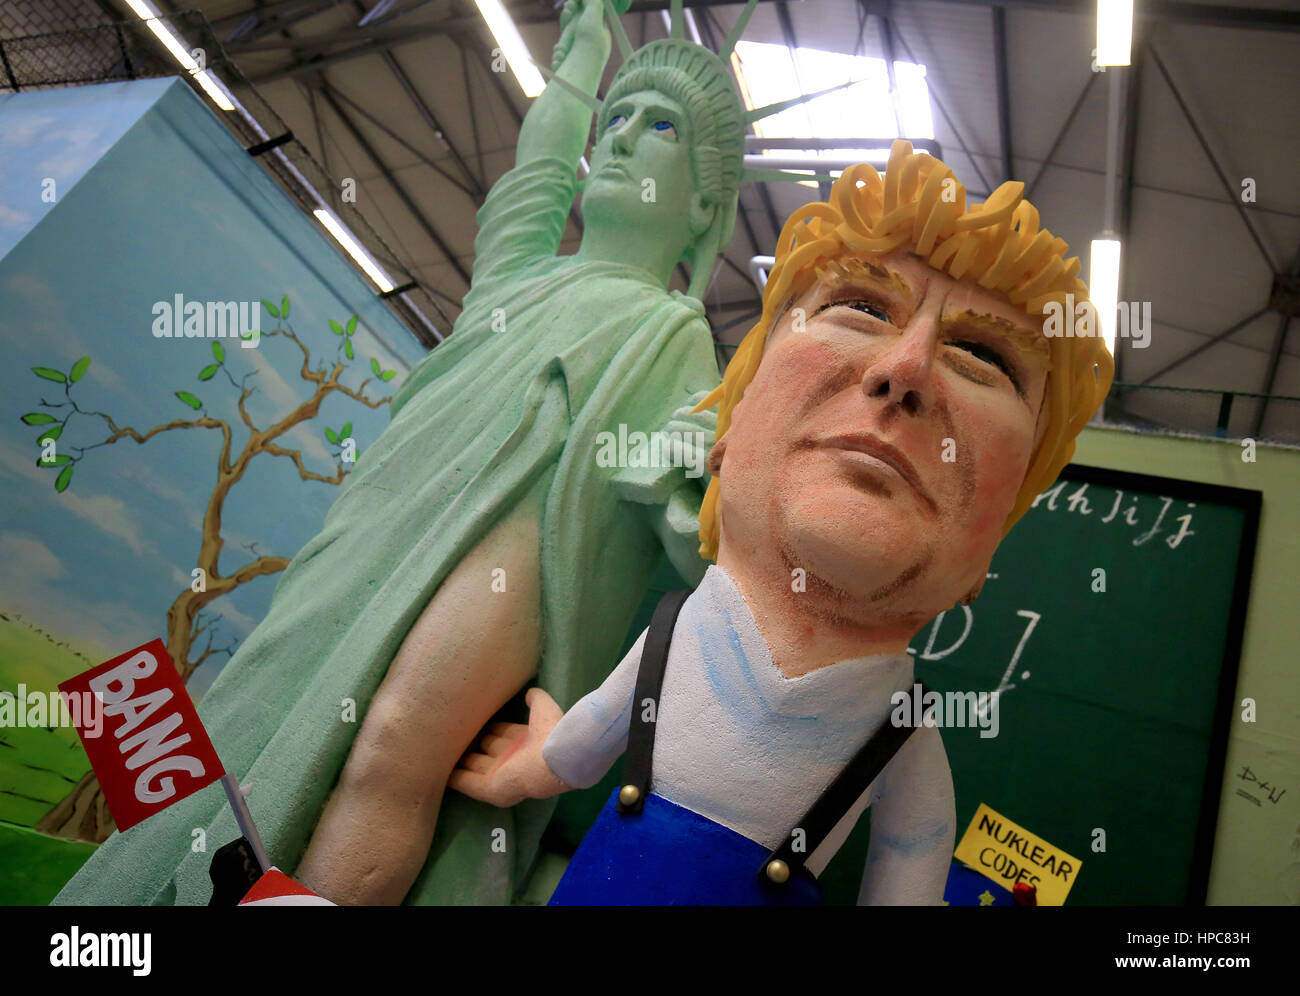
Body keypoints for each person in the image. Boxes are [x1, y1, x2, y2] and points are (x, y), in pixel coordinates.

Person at [53, 0, 748, 906]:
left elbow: (673, 513)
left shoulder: (676, 336)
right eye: (615, 119)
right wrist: (576, 72)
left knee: (393, 744)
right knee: (265, 705)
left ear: (701, 199)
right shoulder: (518, 279)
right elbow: (535, 177)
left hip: (520, 541)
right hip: (373, 529)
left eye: (659, 127)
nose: (618, 139)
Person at [449, 140, 1114, 904]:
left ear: (990, 545)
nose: (905, 369)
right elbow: (592, 735)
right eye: (861, 307)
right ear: (726, 435)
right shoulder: (675, 639)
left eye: (982, 358)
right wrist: (539, 763)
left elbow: (905, 881)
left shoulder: (902, 738)